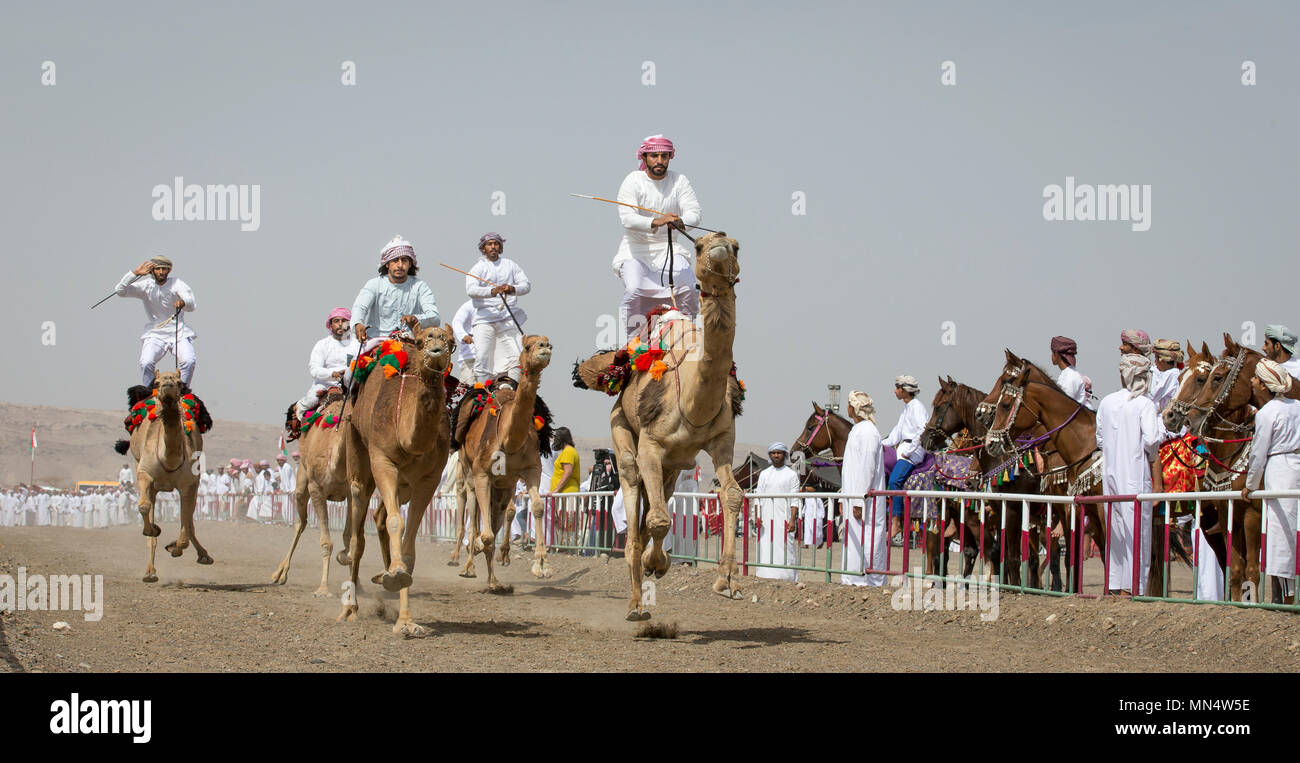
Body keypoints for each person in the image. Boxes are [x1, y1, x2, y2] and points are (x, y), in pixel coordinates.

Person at [612, 135, 702, 339]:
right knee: (634, 289)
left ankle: (687, 335)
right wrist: (657, 221)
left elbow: (694, 212)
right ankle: (633, 343)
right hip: (635, 250)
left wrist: (681, 221)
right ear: (644, 157)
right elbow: (627, 218)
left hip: (669, 248)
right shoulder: (633, 180)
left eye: (664, 156)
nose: (660, 160)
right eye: (654, 156)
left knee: (688, 286)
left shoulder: (679, 180)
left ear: (670, 157)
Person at [1096, 354, 1164, 596]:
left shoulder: (1106, 402)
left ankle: (1115, 584)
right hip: (1135, 472)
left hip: (1111, 472)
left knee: (1115, 529)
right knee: (1138, 531)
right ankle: (1135, 587)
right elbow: (1153, 440)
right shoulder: (1144, 404)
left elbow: (1100, 440)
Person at [1242, 359, 1300, 604]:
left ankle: (1288, 598)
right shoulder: (1298, 406)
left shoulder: (1266, 414)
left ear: (1265, 386)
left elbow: (1258, 454)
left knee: (1282, 535)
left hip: (1280, 472)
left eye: (1256, 379)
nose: (1253, 383)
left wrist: (1250, 485)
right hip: (1296, 467)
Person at [115, 255, 198, 388]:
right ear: (152, 271)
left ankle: (183, 391)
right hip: (156, 333)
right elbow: (120, 291)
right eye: (158, 269)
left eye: (164, 269)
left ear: (169, 271)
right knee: (146, 362)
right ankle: (149, 392)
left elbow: (192, 304)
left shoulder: (177, 283)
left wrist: (183, 302)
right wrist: (135, 274)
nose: (161, 272)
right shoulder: (146, 286)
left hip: (178, 332)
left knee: (189, 361)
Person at [350, 235, 440, 350]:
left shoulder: (420, 286)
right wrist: (358, 324)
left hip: (409, 343)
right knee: (354, 367)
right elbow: (360, 307)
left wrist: (415, 319)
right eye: (395, 260)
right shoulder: (374, 284)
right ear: (387, 264)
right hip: (376, 344)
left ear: (410, 264)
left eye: (404, 260)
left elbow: (435, 317)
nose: (400, 265)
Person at [465, 233, 531, 384]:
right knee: (482, 357)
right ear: (483, 249)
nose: (493, 247)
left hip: (506, 318)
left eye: (496, 244)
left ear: (500, 247)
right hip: (484, 319)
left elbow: (526, 285)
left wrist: (512, 288)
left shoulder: (510, 265)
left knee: (517, 356)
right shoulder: (478, 268)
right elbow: (471, 290)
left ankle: (513, 389)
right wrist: (492, 291)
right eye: (489, 244)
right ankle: (481, 393)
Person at [840, 391, 889, 586]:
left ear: (855, 408)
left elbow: (867, 467)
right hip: (854, 497)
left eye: (849, 404)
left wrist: (859, 499)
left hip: (865, 500)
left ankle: (871, 580)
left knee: (868, 538)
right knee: (854, 538)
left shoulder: (868, 431)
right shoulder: (857, 429)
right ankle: (852, 577)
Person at [881, 375, 929, 546]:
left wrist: (909, 451)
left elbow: (923, 430)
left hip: (913, 451)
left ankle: (896, 522)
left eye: (897, 388)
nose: (894, 391)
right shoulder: (906, 408)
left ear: (904, 389)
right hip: (903, 448)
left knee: (894, 481)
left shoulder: (917, 407)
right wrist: (879, 444)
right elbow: (895, 434)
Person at [293, 307, 360, 429]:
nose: (340, 324)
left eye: (344, 320)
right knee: (311, 400)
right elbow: (314, 369)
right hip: (325, 384)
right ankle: (299, 414)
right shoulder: (322, 345)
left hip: (350, 385)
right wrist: (333, 374)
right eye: (336, 321)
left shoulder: (357, 345)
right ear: (330, 325)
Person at [753, 443, 801, 581]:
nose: (776, 455)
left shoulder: (791, 474)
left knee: (786, 544)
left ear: (784, 455)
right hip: (766, 519)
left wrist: (792, 519)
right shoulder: (764, 474)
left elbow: (794, 499)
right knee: (766, 544)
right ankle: (765, 573)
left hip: (784, 517)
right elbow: (758, 497)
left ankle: (787, 575)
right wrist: (757, 515)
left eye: (779, 453)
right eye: (773, 453)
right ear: (769, 455)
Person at [550, 428, 581, 549]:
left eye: (556, 437)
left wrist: (557, 489)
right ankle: (563, 545)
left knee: (568, 521)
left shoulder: (568, 452)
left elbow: (568, 472)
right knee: (562, 521)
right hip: (563, 494)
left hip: (567, 493)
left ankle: (570, 547)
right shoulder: (565, 452)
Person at [1051, 336, 1093, 410]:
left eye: (1052, 352)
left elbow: (1064, 407)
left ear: (1056, 354)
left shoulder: (1069, 377)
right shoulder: (1070, 373)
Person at [1150, 339, 1184, 417]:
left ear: (1162, 360)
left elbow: (1153, 396)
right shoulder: (1173, 373)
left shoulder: (1172, 374)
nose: (1155, 362)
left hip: (1168, 420)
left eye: (1156, 358)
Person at [449, 299, 478, 384]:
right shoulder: (470, 305)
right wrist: (464, 336)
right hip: (471, 359)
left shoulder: (497, 306)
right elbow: (457, 322)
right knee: (470, 393)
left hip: (492, 360)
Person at [799, 482, 826, 548]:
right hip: (808, 517)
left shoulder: (818, 498)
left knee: (817, 531)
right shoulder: (807, 498)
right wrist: (803, 514)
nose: (807, 488)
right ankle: (806, 544)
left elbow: (821, 507)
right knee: (807, 530)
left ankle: (820, 542)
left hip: (816, 517)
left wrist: (822, 515)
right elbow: (805, 506)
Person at [277, 454, 296, 524]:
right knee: (284, 507)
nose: (279, 462)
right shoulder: (280, 468)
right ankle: (286, 521)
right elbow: (282, 480)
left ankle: (290, 522)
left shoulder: (287, 467)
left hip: (290, 490)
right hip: (285, 491)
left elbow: (287, 479)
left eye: (280, 460)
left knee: (289, 507)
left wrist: (288, 490)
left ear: (284, 460)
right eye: (278, 460)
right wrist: (282, 489)